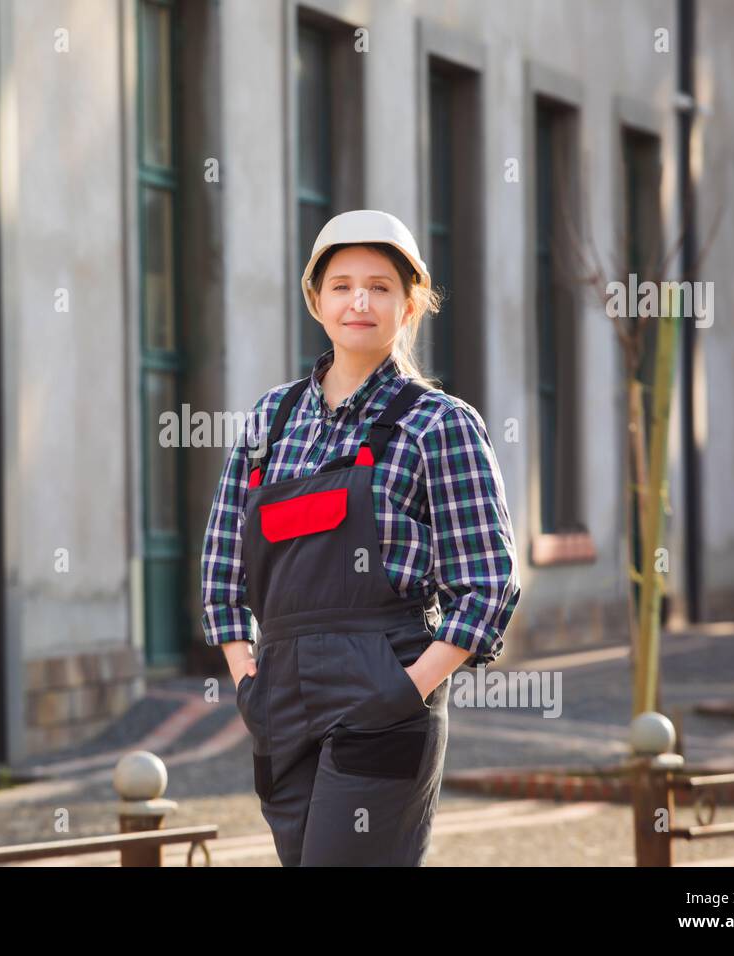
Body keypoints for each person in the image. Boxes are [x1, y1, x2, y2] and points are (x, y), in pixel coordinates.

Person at [199, 208, 521, 866]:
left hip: (385, 684)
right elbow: (221, 568)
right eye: (342, 285)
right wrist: (248, 682)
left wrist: (409, 687)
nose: (359, 301)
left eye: (380, 286)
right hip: (280, 696)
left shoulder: (438, 424)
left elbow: (489, 583)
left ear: (410, 305)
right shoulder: (270, 417)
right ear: (316, 300)